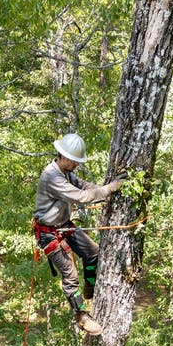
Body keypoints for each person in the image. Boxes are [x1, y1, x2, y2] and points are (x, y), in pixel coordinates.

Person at [33, 132, 123, 335]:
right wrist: (111, 188)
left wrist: (103, 191)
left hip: (63, 224)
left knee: (93, 252)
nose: (76, 165)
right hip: (48, 232)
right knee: (70, 274)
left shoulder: (66, 172)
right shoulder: (51, 176)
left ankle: (90, 288)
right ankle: (81, 316)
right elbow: (81, 196)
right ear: (63, 156)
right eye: (74, 161)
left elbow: (84, 186)